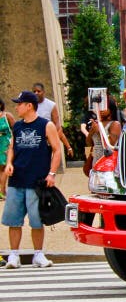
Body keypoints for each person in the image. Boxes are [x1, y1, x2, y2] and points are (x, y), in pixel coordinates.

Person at [1, 91, 61, 269]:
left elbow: (57, 150)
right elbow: (12, 147)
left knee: (36, 220)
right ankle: (14, 255)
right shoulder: (17, 126)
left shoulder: (46, 125)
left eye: (20, 103)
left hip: (37, 181)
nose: (17, 106)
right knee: (13, 220)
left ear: (29, 106)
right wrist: (9, 163)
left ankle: (38, 254)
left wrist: (52, 173)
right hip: (17, 180)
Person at [32, 83, 73, 161]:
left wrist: (68, 147)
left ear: (43, 92)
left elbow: (57, 126)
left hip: (46, 140)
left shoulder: (51, 105)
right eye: (34, 91)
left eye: (38, 91)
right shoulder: (30, 105)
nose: (36, 93)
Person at [85, 97, 122, 174]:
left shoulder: (115, 124)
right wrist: (91, 131)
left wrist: (98, 131)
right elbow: (89, 143)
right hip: (96, 160)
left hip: (108, 161)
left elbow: (110, 145)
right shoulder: (96, 123)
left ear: (111, 109)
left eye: (104, 108)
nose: (101, 110)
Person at [0, 98, 15, 199]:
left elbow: (16, 128)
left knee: (4, 166)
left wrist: (13, 143)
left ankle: (2, 191)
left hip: (6, 143)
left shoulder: (7, 116)